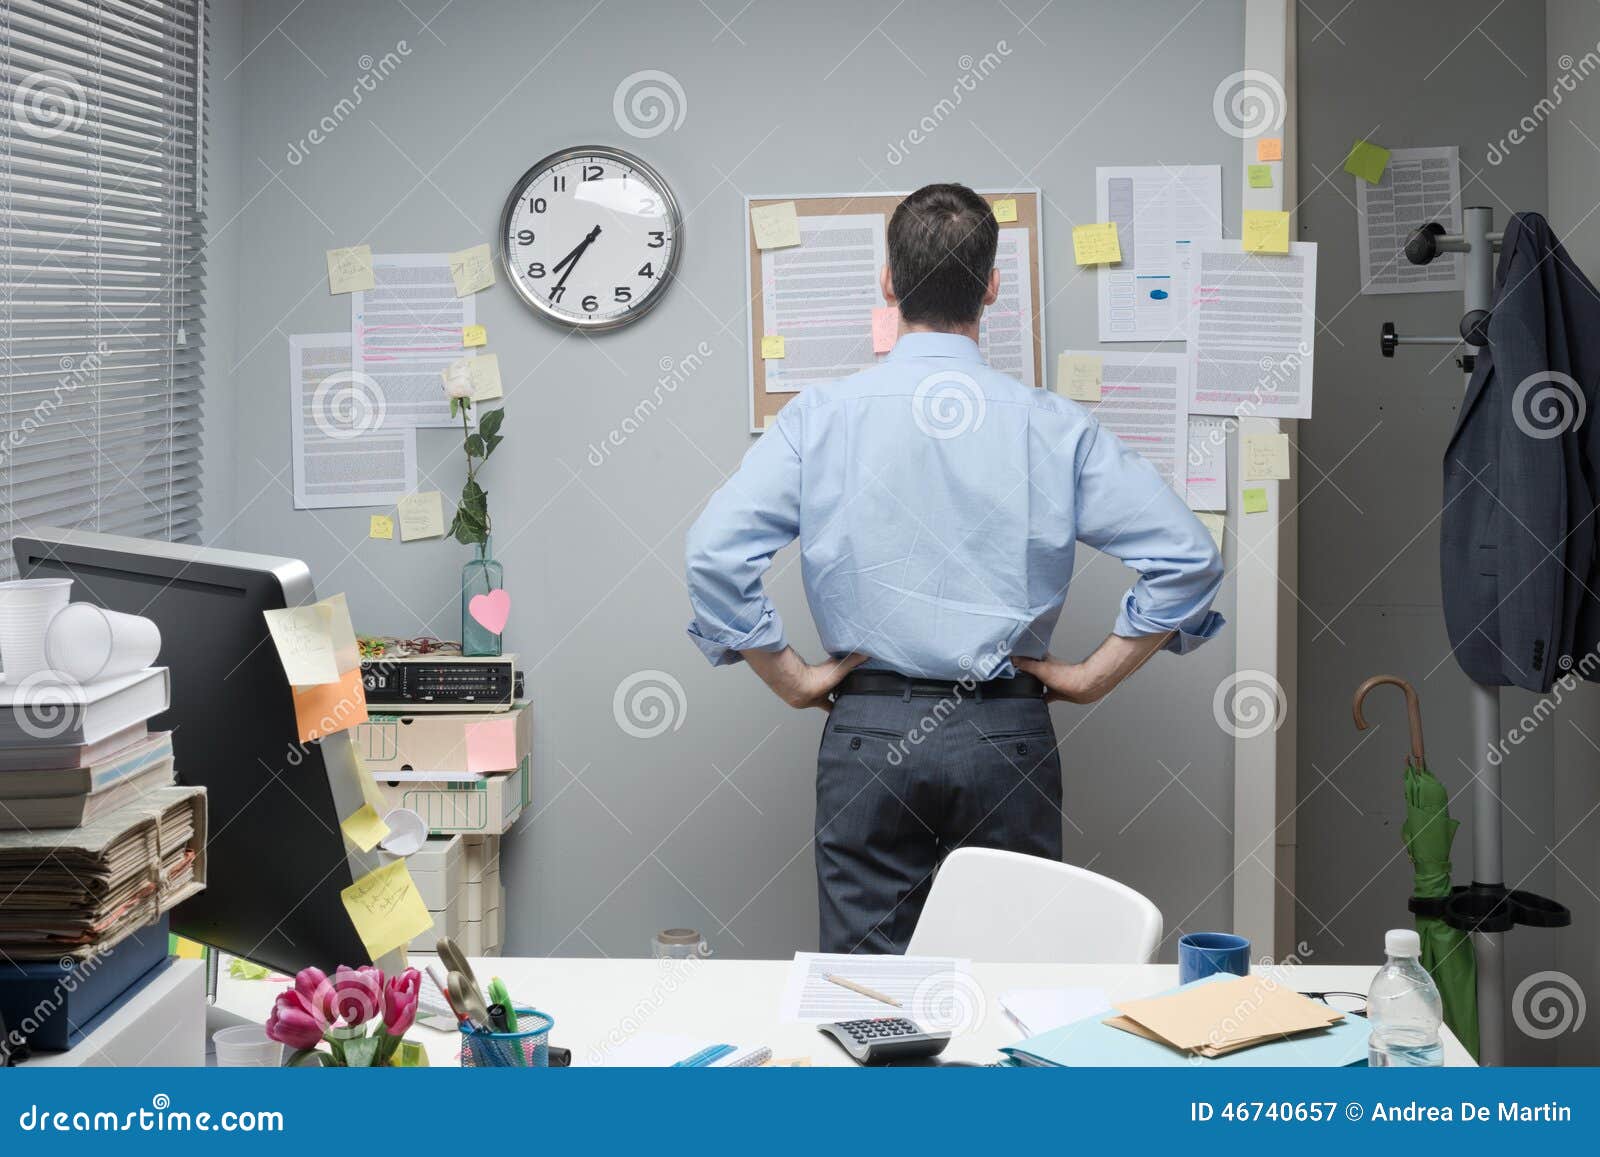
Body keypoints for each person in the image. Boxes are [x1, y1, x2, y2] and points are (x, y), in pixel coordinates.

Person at [684, 182, 1224, 953]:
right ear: (992, 286)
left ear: (888, 282)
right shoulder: (1052, 424)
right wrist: (1092, 675)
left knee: (866, 1004)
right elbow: (1189, 557)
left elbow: (713, 554)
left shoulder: (822, 416)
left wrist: (793, 679)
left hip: (869, 732)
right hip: (1005, 731)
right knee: (1011, 995)